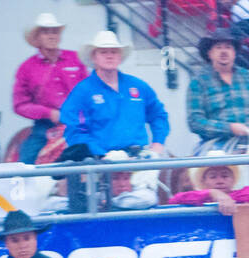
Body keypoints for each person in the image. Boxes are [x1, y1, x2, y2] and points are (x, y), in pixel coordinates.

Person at [59, 30, 169, 213]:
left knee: (147, 198)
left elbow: (158, 114)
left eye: (114, 51)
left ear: (120, 56)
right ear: (94, 57)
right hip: (102, 162)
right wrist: (101, 155)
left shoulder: (138, 86)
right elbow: (75, 130)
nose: (109, 55)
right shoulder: (82, 91)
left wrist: (158, 142)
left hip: (138, 160)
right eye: (103, 51)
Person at [187, 29, 249, 150]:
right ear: (209, 53)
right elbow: (195, 122)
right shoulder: (198, 83)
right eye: (218, 47)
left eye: (228, 47)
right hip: (215, 145)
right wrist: (230, 128)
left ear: (234, 52)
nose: (224, 51)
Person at [13, 13, 87, 164]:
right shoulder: (27, 68)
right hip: (45, 127)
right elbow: (20, 105)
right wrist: (49, 113)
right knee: (26, 162)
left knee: (98, 154)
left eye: (55, 31)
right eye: (46, 32)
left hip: (78, 124)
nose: (52, 35)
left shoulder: (76, 59)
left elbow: (89, 91)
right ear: (37, 37)